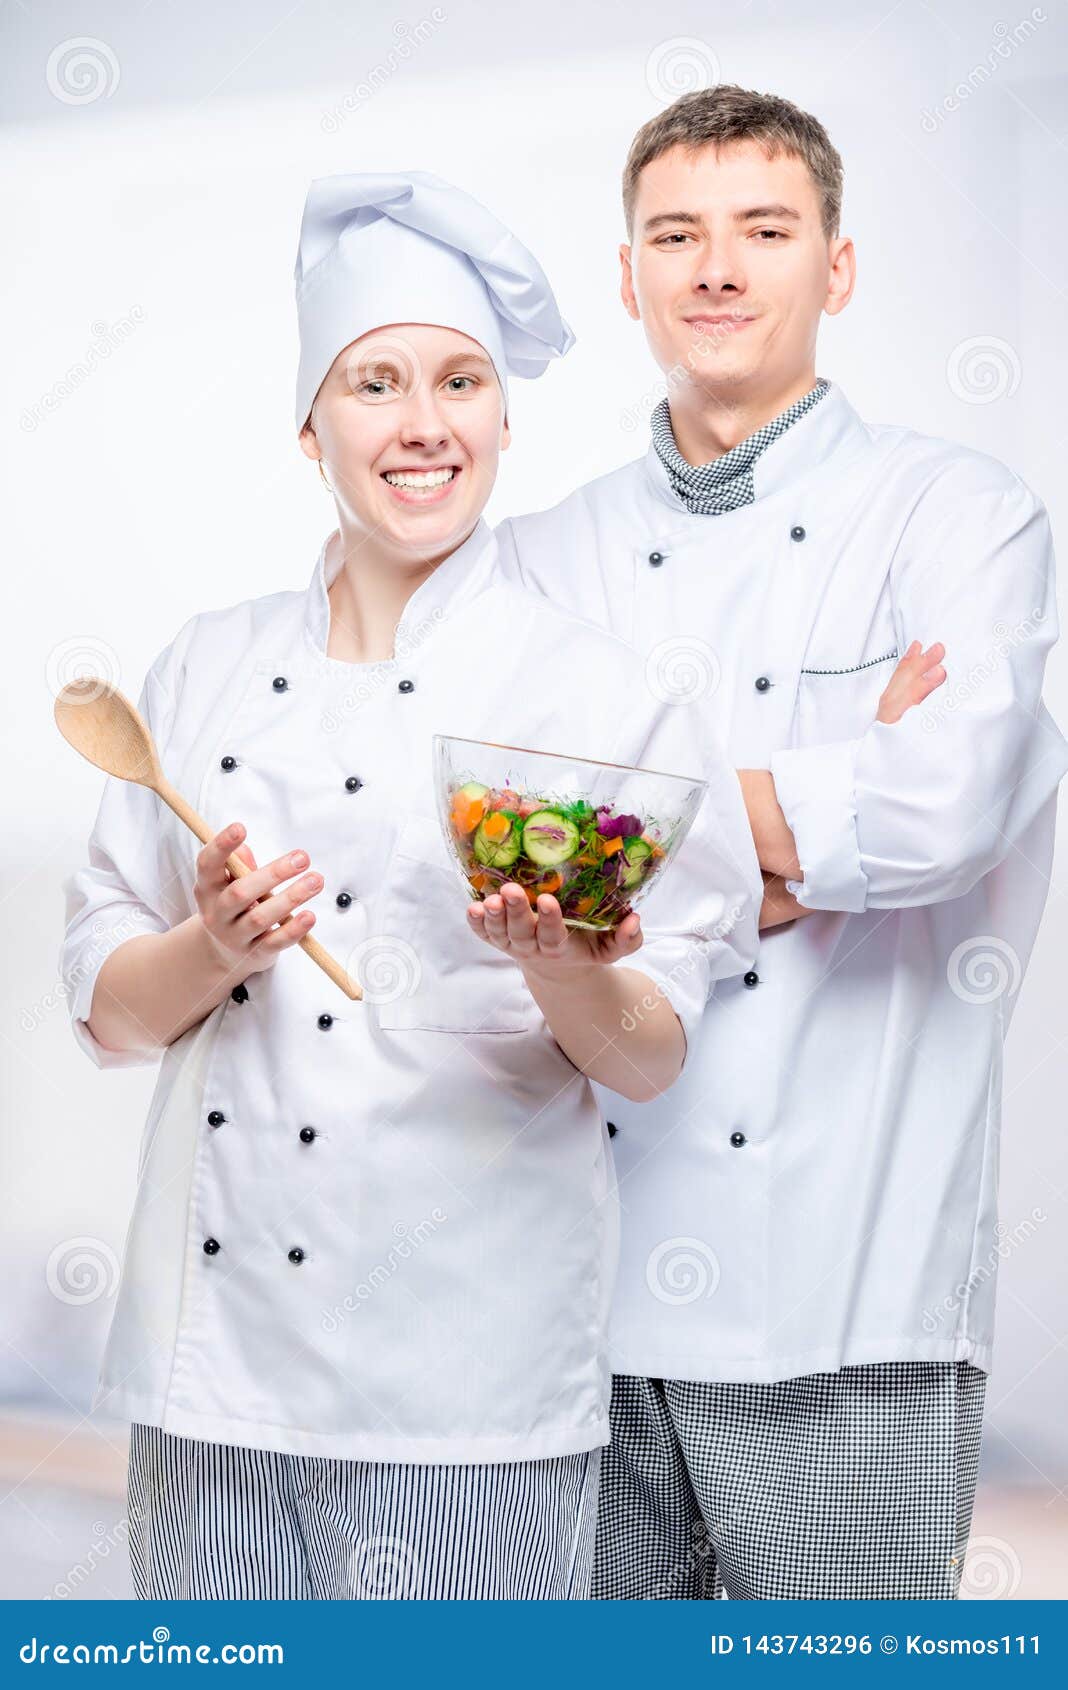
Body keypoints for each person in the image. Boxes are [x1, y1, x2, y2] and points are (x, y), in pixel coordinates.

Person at [58, 171, 768, 1602]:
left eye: (459, 379)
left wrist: (564, 967)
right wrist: (209, 945)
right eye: (373, 381)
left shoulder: (601, 695)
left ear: (503, 416)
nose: (422, 421)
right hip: (215, 1385)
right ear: (308, 424)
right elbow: (110, 1015)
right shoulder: (199, 667)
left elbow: (651, 1052)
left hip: (474, 1394)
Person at [496, 85, 1068, 1599]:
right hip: (571, 1320)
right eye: (675, 235)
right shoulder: (538, 558)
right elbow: (504, 866)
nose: (718, 269)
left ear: (839, 264)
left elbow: (943, 805)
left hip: (850, 1299)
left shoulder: (959, 514)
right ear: (628, 278)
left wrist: (626, 826)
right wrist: (821, 795)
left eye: (764, 228)